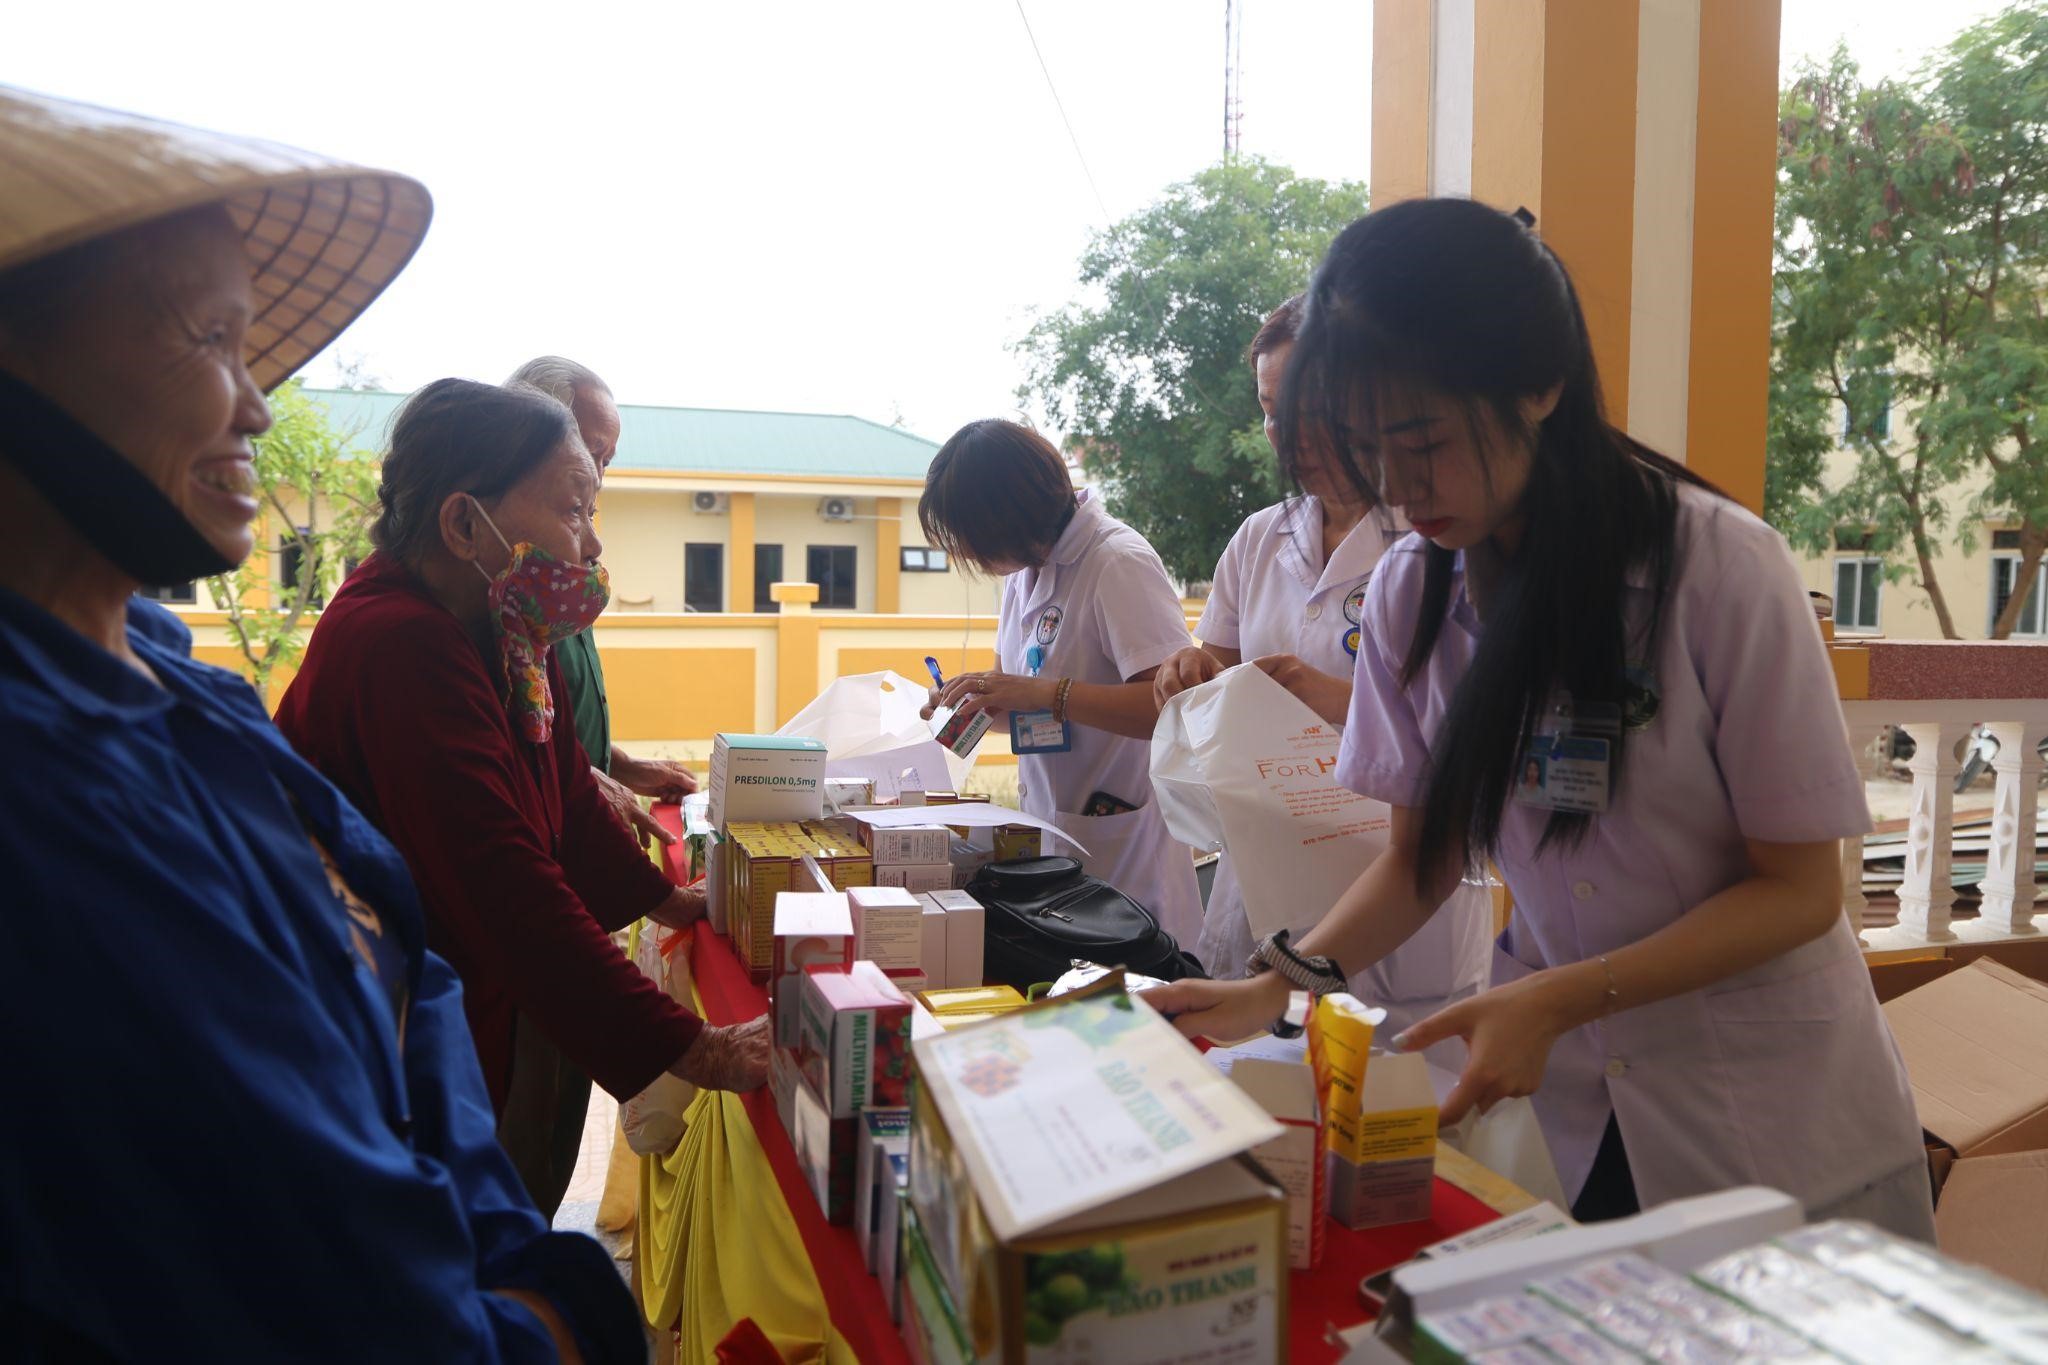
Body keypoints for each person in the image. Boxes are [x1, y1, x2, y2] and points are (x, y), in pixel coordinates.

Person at [1146, 198, 1933, 1238]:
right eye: (1364, 449)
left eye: (1422, 440)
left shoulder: (1717, 568)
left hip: (1758, 1095)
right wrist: (1275, 987)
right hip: (1573, 1093)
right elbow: (1420, 858)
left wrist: (1562, 996)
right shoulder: (1410, 593)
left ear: (1540, 385)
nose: (1395, 486)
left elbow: (1794, 892)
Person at [0, 86, 642, 1359]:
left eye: (256, 351)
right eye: (208, 343)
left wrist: (511, 1264)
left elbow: (410, 986)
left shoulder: (189, 694)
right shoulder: (44, 786)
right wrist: (545, 1323)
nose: (255, 407)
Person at [275, 377, 767, 1220]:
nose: (590, 547)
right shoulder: (398, 641)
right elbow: (503, 878)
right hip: (371, 1023)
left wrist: (670, 899)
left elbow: (565, 788)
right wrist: (697, 1048)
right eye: (574, 510)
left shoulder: (501, 628)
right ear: (466, 524)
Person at [1153, 296, 1491, 1027]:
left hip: (1396, 878)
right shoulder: (1260, 538)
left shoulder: (1438, 543)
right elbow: (1216, 669)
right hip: (1266, 866)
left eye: (1313, 410)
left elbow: (1479, 731)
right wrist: (1188, 678)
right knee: (1258, 1101)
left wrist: (1336, 700)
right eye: (1273, 410)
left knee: (1390, 1114)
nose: (1289, 435)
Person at [919, 420, 1204, 946]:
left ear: (1008, 517)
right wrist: (972, 704)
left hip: (1121, 844)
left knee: (1133, 997)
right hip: (1053, 836)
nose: (972, 557)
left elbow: (1174, 710)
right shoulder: (1022, 573)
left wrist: (1050, 694)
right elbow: (1018, 698)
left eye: (972, 539)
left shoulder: (1117, 561)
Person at [507, 355, 696, 849]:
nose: (598, 473)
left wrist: (618, 766)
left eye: (606, 460)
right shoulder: (493, 590)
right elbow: (508, 745)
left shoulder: (560, 562)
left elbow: (547, 716)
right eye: (590, 451)